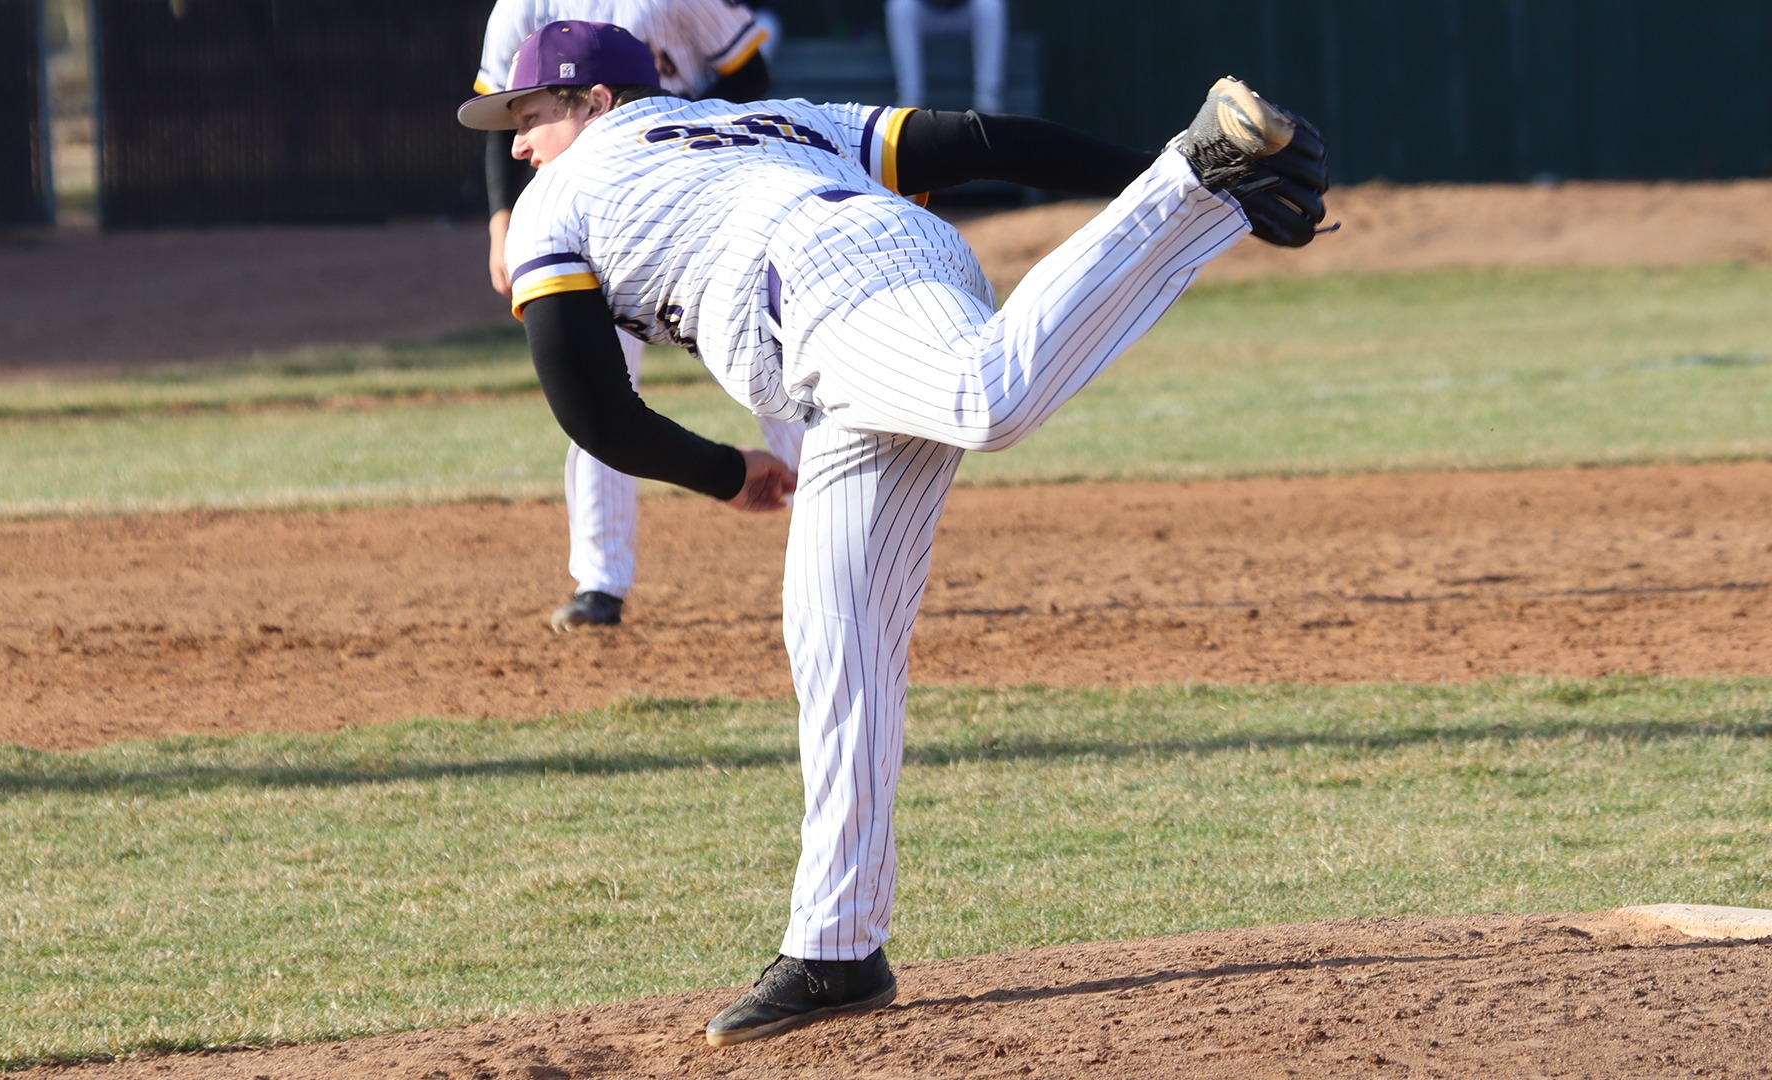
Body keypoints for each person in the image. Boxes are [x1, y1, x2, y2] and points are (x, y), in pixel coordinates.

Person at [457, 20, 1328, 1044]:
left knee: (987, 395)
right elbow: (986, 143)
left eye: (530, 115)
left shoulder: (559, 195)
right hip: (871, 298)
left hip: (823, 292)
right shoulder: (778, 118)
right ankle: (835, 949)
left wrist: (729, 473)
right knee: (837, 636)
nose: (517, 145)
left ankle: (1199, 181)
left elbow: (591, 411)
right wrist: (1124, 162)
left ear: (597, 104)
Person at [472, 0, 805, 631]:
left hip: (691, 198)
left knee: (772, 364)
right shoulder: (520, 7)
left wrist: (686, 126)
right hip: (583, 216)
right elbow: (506, 114)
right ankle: (600, 581)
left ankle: (835, 529)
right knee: (601, 393)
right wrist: (500, 223)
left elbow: (747, 70)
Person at [885, 0, 1007, 114]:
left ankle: (987, 100)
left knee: (990, 4)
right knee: (901, 6)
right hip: (926, 14)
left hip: (964, 14)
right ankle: (910, 101)